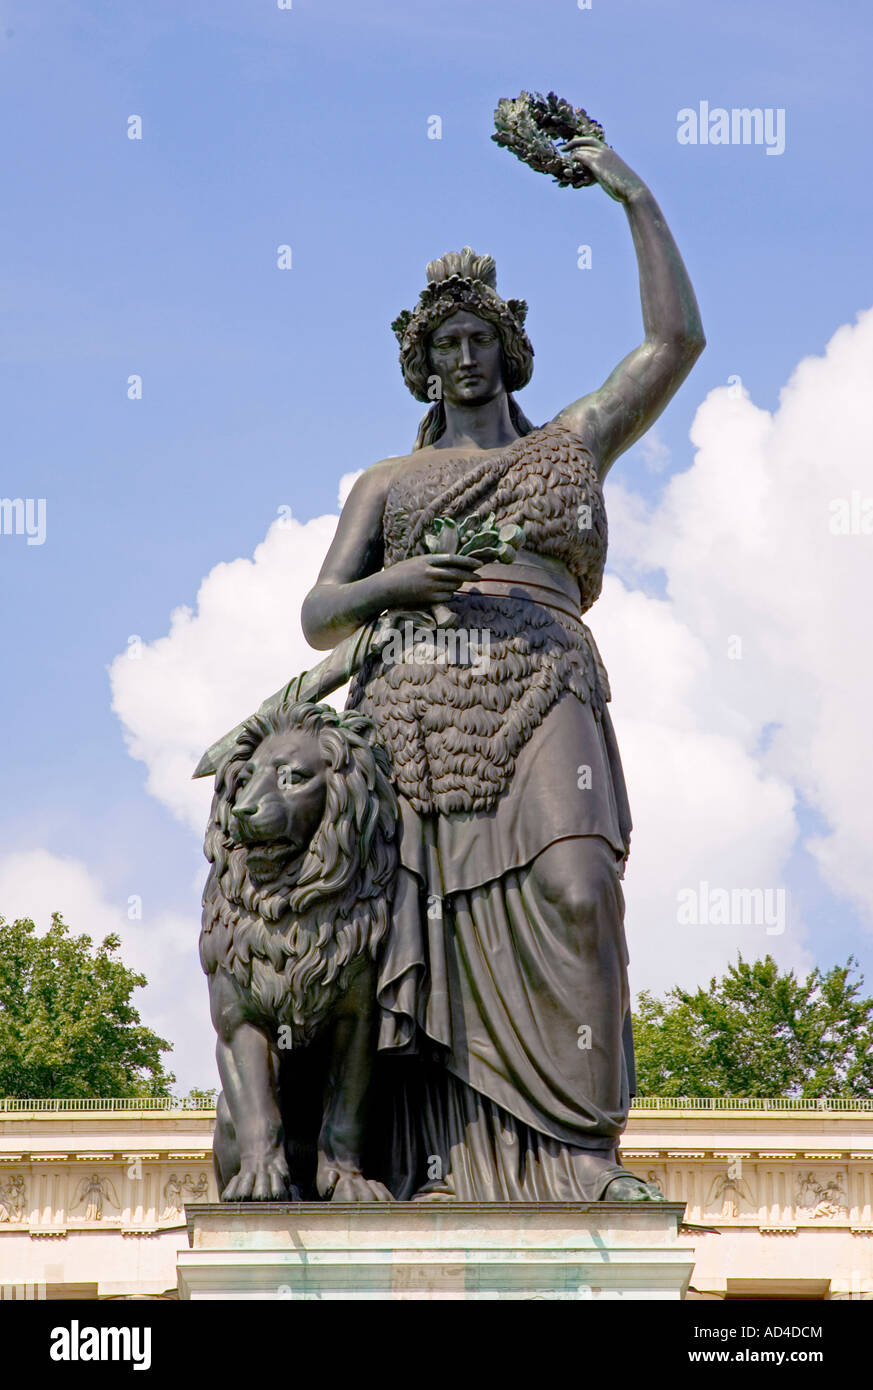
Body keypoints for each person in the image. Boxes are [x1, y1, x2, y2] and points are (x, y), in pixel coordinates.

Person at [302, 138, 704, 1201]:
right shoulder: (389, 482)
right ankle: (440, 1160)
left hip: (545, 677)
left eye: (482, 336)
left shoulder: (569, 443)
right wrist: (404, 581)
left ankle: (578, 1151)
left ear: (509, 350)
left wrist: (628, 188)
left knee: (578, 890)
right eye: (448, 343)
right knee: (434, 927)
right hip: (419, 705)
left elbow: (674, 340)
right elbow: (318, 613)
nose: (467, 355)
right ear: (425, 364)